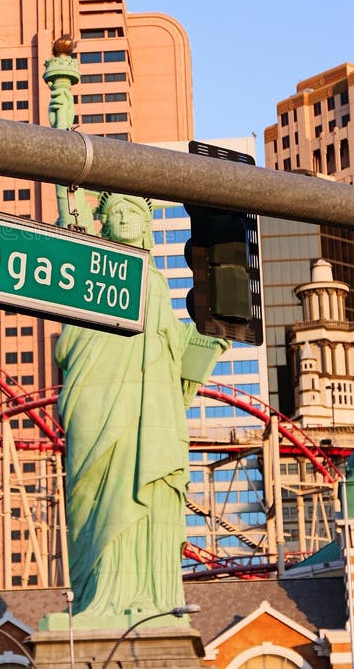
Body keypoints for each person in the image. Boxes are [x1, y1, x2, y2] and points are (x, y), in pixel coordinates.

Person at [48, 80, 227, 619]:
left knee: (149, 496)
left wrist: (204, 345)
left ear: (150, 229)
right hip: (98, 404)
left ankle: (149, 598)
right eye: (118, 212)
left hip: (150, 415)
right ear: (101, 222)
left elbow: (175, 349)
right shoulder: (88, 268)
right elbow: (64, 190)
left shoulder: (154, 280)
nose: (128, 219)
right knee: (95, 499)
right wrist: (62, 108)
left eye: (137, 214)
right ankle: (99, 598)